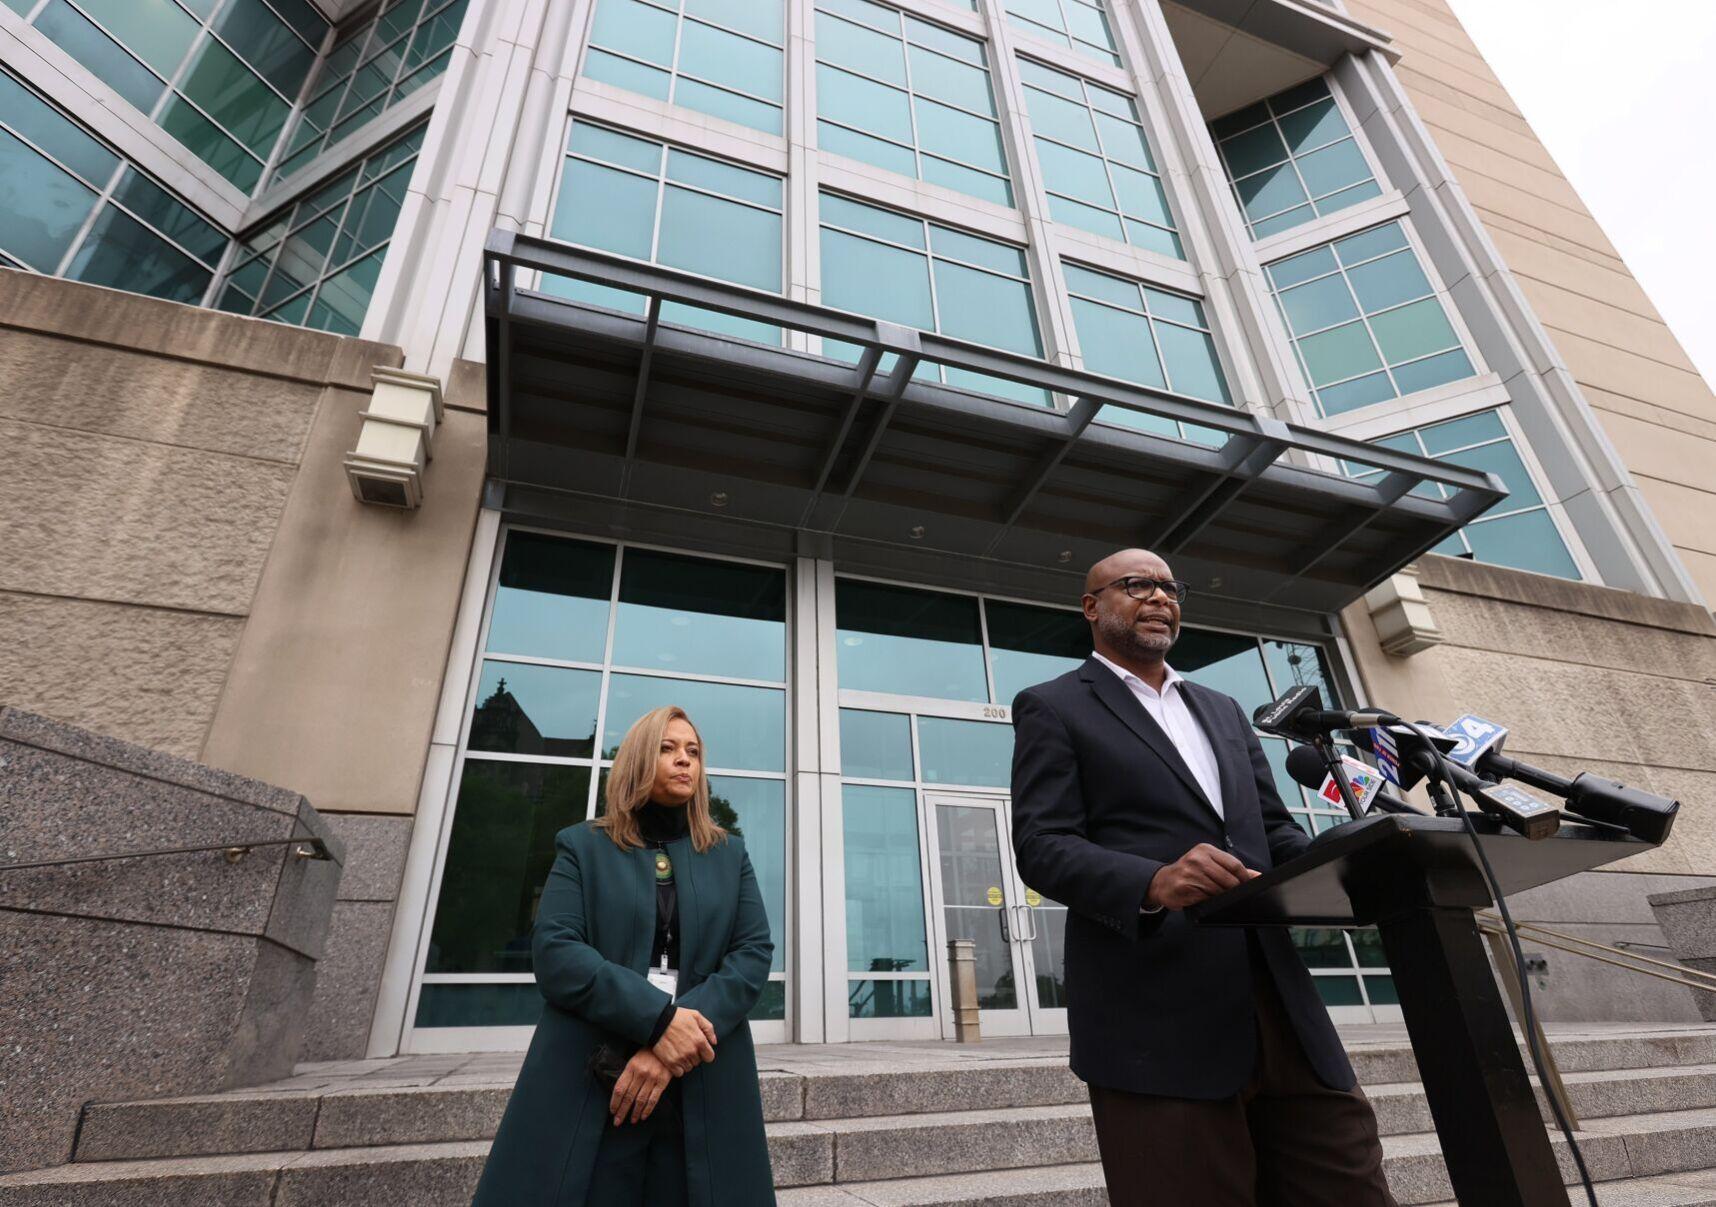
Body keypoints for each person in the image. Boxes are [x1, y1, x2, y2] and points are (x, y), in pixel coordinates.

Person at [1010, 548, 1396, 1206]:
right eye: (1136, 585)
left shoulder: (1222, 709)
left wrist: (1338, 866)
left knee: (1351, 1187)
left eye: (1169, 587)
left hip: (1281, 1007)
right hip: (1157, 1022)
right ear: (1091, 605)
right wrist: (1153, 881)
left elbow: (1273, 830)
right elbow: (1042, 844)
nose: (1159, 597)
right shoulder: (1054, 707)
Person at [472, 705, 776, 1206]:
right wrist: (657, 1023)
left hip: (703, 1074)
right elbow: (557, 952)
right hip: (596, 1072)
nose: (685, 761)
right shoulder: (582, 846)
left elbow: (751, 953)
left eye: (693, 752)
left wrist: (673, 1041)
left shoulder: (728, 853)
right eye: (668, 748)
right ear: (637, 758)